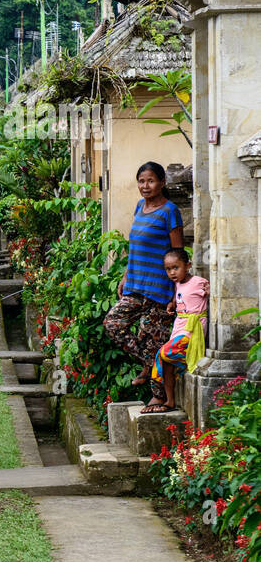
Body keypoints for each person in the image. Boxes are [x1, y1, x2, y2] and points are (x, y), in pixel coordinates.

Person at [103, 162, 183, 405]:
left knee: (154, 339)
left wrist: (176, 291)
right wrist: (126, 275)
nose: (145, 186)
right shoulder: (139, 206)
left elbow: (177, 253)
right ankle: (151, 362)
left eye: (150, 181)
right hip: (136, 284)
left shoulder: (170, 211)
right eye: (141, 181)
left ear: (162, 183)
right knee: (113, 323)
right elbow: (135, 246)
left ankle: (158, 400)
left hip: (160, 288)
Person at [147, 249, 209, 414]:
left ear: (187, 266)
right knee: (165, 360)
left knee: (164, 352)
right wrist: (172, 304)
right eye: (168, 269)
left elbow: (211, 293)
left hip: (192, 330)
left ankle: (165, 380)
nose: (172, 272)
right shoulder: (178, 283)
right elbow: (179, 296)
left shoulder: (198, 282)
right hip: (179, 327)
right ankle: (170, 401)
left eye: (176, 267)